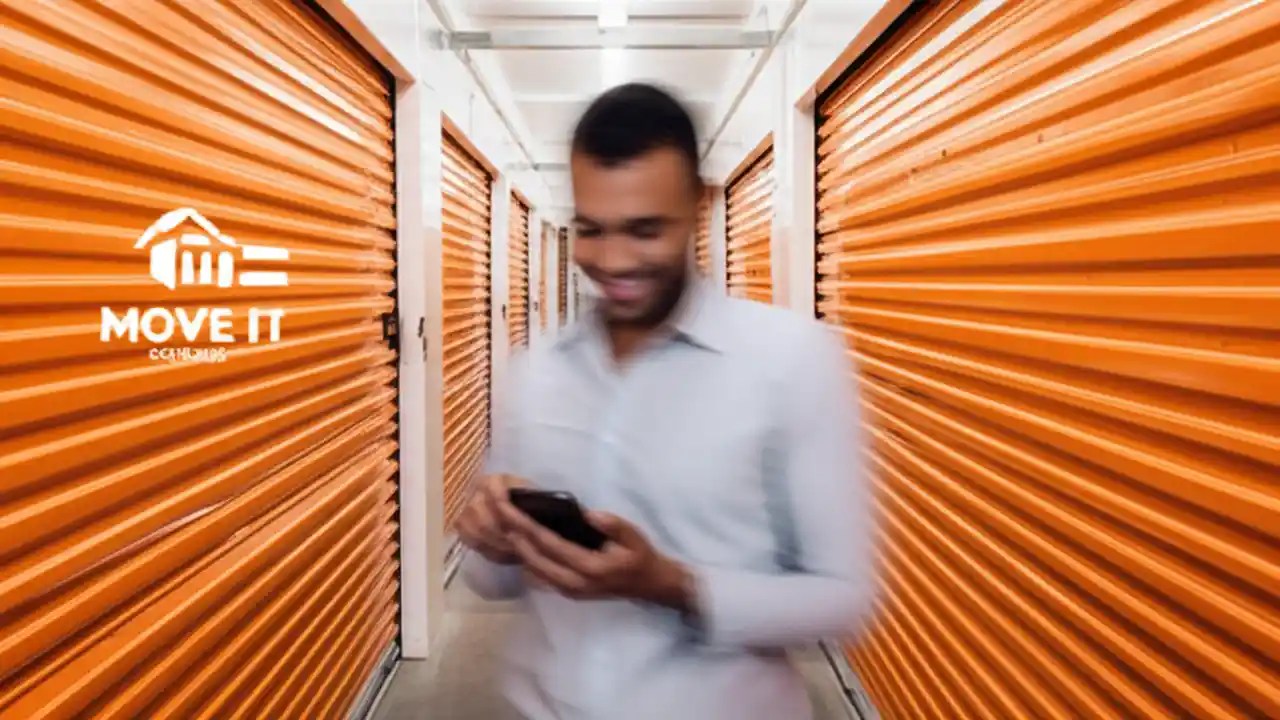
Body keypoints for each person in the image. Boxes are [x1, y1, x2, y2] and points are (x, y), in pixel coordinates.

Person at [457, 82, 877, 720]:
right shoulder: (538, 370)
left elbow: (845, 597)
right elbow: (493, 583)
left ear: (698, 205)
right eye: (591, 231)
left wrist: (672, 585)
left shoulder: (792, 362)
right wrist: (490, 540)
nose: (614, 261)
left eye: (645, 230)